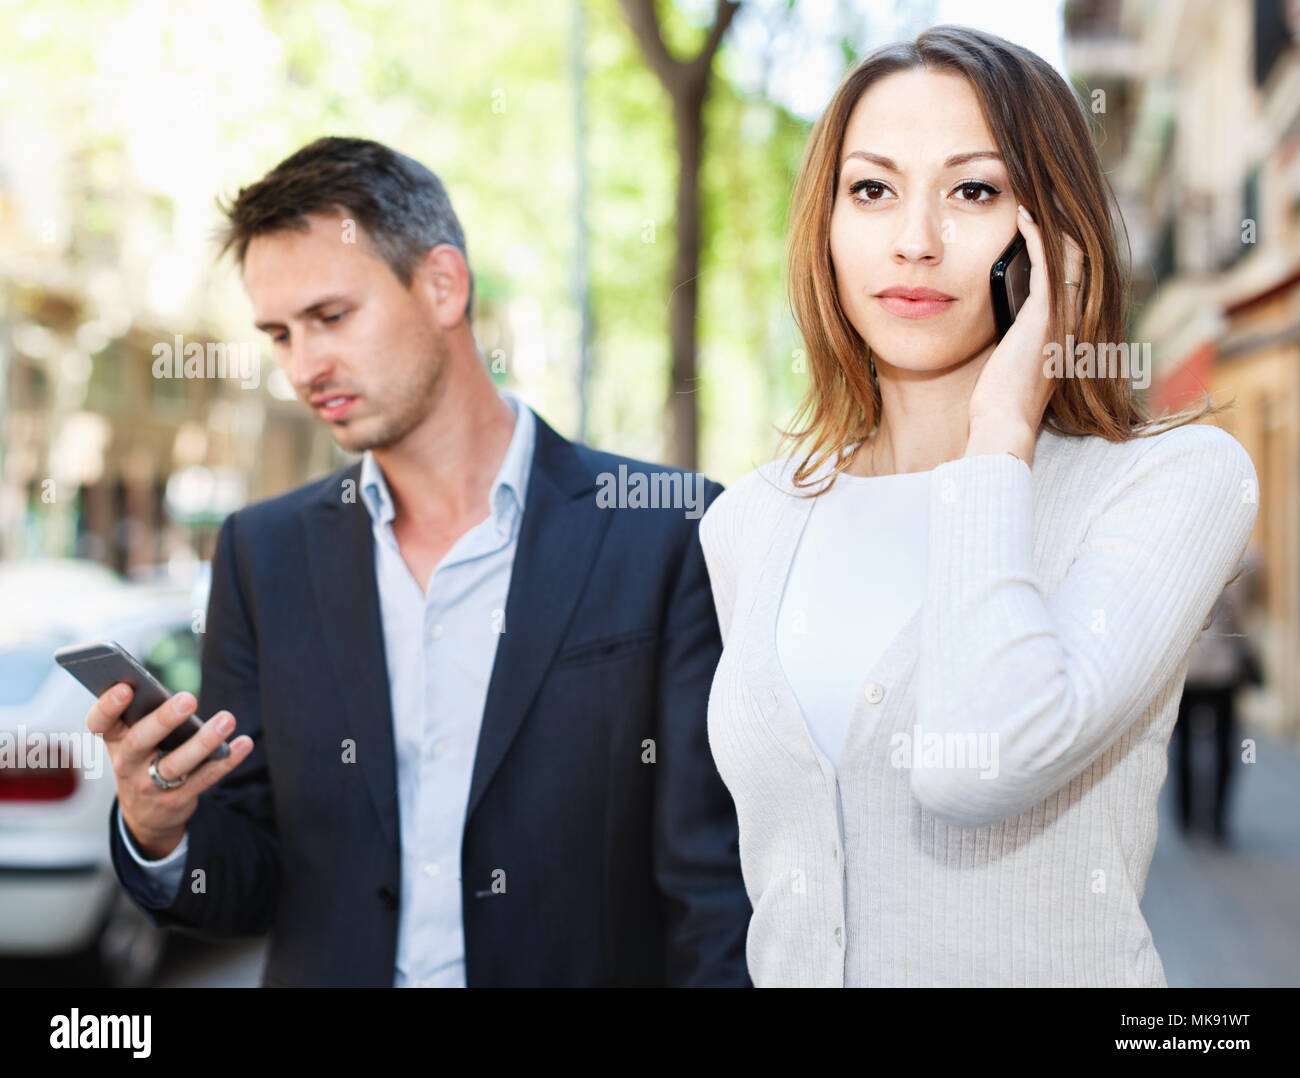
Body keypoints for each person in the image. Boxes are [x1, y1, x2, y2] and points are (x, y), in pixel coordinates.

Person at [85, 136, 751, 987]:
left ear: (443, 284)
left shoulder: (667, 531)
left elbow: (711, 886)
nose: (304, 366)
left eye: (331, 317)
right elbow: (247, 885)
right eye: (279, 334)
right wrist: (161, 829)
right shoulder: (263, 553)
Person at [698, 26, 1259, 987]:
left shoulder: (1170, 483)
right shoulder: (749, 521)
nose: (915, 240)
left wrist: (1002, 430)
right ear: (825, 227)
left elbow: (978, 767)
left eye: (974, 190)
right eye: (872, 190)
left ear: (1053, 239)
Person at [1173, 546, 1262, 843]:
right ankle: (1218, 820)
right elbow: (1248, 611)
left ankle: (1186, 818)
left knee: (1183, 744)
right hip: (1224, 666)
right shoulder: (1245, 560)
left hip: (1187, 668)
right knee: (1224, 746)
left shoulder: (1180, 561)